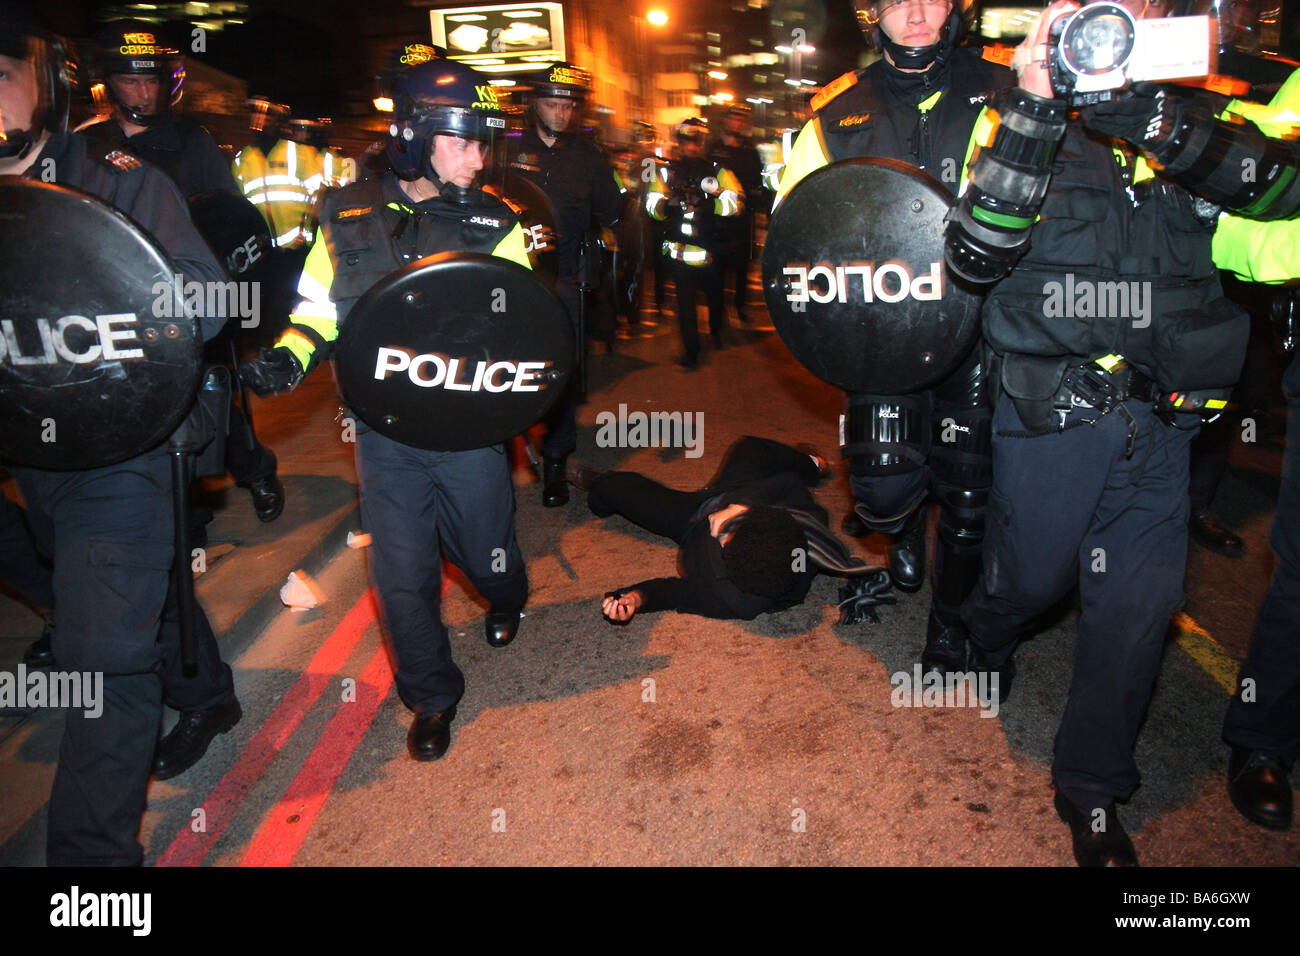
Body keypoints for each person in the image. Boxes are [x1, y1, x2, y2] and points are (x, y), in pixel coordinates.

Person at [942, 0, 1300, 864]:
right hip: (1056, 413)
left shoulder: (1211, 115)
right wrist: (1034, 104)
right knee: (1030, 581)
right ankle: (985, 630)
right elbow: (974, 255)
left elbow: (1277, 219)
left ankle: (1093, 788)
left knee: (1138, 614)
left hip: (1166, 421)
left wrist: (1162, 126)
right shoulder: (1011, 105)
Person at [239, 59, 532, 762]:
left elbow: (523, 328)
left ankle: (504, 594)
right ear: (411, 136)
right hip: (383, 433)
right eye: (461, 140)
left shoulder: (498, 223)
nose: (477, 156)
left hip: (466, 430)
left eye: (483, 141)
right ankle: (432, 696)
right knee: (401, 575)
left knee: (485, 554)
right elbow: (316, 309)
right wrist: (290, 353)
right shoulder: (343, 215)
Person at [1, 6, 229, 865]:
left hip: (121, 454)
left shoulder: (123, 179)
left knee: (103, 662)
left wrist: (127, 287)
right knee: (111, 597)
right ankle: (203, 683)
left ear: (48, 83)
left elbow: (206, 300)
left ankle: (91, 880)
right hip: (32, 457)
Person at [774, 0, 1014, 675]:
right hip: (878, 328)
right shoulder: (835, 111)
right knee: (879, 487)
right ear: (871, 11)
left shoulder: (1003, 91)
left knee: (968, 494)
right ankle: (901, 527)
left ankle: (948, 625)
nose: (915, 11)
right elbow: (799, 226)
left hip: (973, 322)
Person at [582, 437, 885, 622]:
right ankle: (813, 464)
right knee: (750, 448)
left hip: (689, 519)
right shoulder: (803, 524)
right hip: (741, 493)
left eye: (725, 540)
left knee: (616, 489)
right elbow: (787, 485)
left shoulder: (736, 599)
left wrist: (636, 598)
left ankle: (597, 487)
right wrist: (741, 506)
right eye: (733, 530)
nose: (718, 531)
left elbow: (676, 593)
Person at [508, 62, 623, 507]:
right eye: (552, 103)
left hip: (566, 279)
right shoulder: (507, 149)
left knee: (563, 373)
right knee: (513, 369)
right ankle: (509, 452)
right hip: (514, 278)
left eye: (568, 105)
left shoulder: (590, 157)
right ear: (535, 104)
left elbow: (612, 210)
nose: (561, 113)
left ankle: (556, 460)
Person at [646, 118, 744, 368]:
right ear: (678, 142)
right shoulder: (666, 172)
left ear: (700, 142)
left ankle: (715, 331)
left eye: (694, 141)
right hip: (679, 253)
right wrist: (667, 205)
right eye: (685, 140)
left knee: (715, 297)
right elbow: (650, 205)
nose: (690, 146)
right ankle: (691, 352)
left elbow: (736, 203)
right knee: (685, 306)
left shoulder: (716, 171)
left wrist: (710, 204)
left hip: (710, 250)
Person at [710, 106, 765, 325]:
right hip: (718, 218)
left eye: (741, 120)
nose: (737, 123)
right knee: (719, 267)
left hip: (742, 219)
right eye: (733, 119)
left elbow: (756, 183)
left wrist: (758, 210)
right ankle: (719, 311)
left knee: (741, 267)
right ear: (725, 120)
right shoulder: (714, 149)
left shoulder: (749, 151)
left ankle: (740, 306)